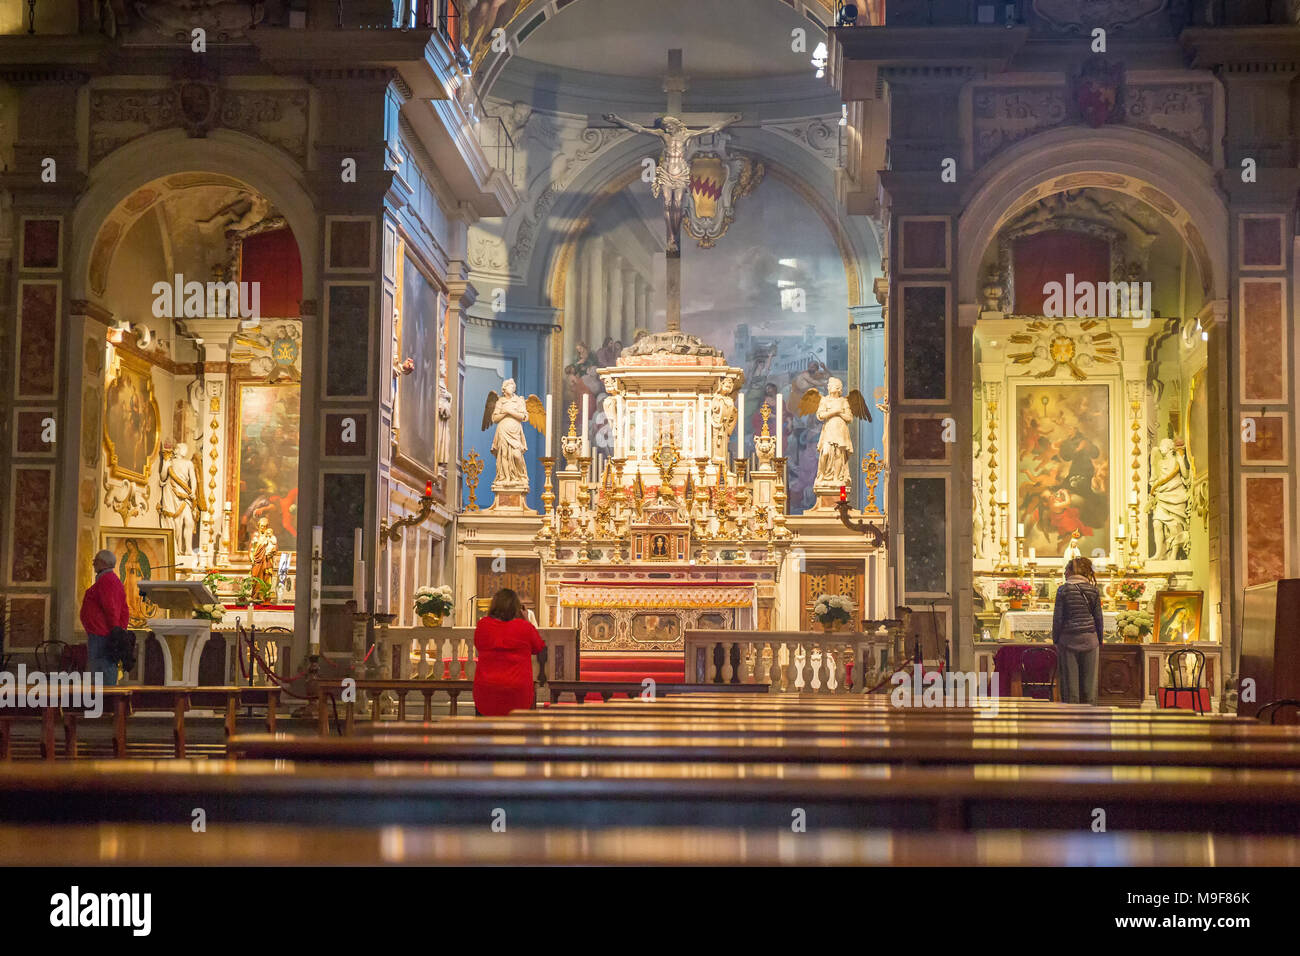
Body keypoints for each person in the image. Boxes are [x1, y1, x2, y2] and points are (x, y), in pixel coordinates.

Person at [472, 588, 547, 717]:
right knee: (517, 734)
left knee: (486, 733)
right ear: (516, 608)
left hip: (487, 690)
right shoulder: (524, 627)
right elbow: (539, 647)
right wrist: (526, 621)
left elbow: (478, 645)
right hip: (517, 691)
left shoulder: (483, 625)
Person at [1050, 556, 1105, 704]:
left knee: (1070, 687)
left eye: (1066, 570)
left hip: (1068, 640)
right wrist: (1099, 639)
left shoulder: (1063, 590)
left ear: (1071, 571)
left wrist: (1055, 639)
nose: (1064, 573)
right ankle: (1091, 718)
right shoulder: (1093, 590)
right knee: (1090, 685)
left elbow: (1058, 618)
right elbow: (1098, 618)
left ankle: (1070, 718)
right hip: (1090, 640)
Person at [81, 549, 129, 686]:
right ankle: (103, 701)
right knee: (101, 668)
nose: (93, 564)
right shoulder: (110, 580)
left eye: (95, 561)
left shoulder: (107, 580)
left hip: (102, 633)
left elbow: (110, 607)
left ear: (102, 563)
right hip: (102, 632)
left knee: (101, 669)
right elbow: (123, 609)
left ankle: (104, 702)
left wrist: (115, 630)